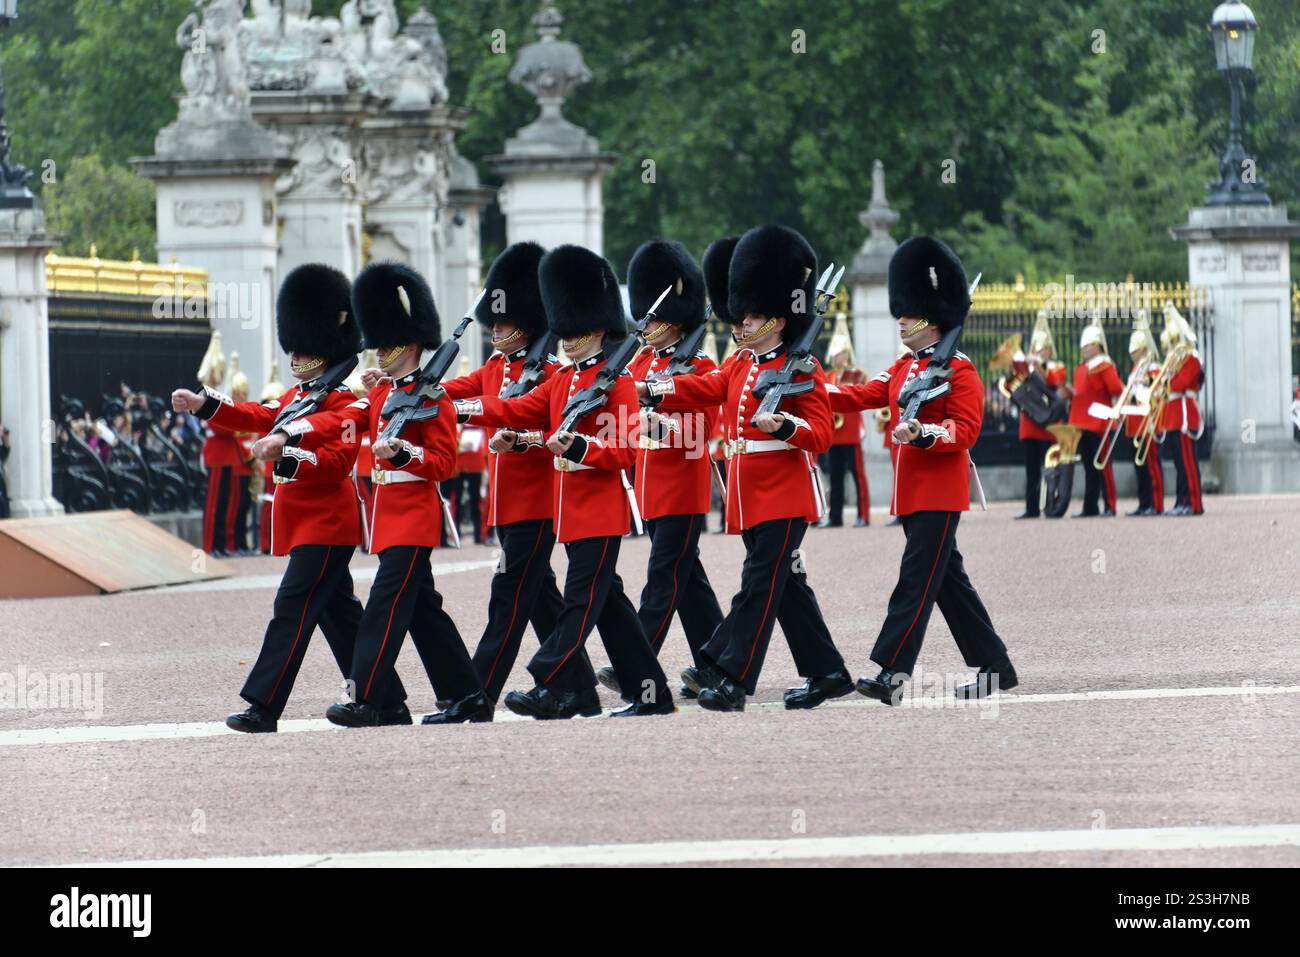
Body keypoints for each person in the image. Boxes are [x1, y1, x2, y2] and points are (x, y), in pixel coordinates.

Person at [171, 263, 409, 733]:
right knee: (341, 618)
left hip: (327, 525)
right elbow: (257, 414)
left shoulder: (348, 402)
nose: (297, 355)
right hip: (306, 525)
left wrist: (288, 451)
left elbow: (337, 461)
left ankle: (263, 705)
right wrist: (206, 404)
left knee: (291, 611)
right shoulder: (299, 396)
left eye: (305, 347)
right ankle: (388, 701)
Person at [262, 261, 491, 727]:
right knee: (424, 610)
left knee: (383, 609)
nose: (377, 352)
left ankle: (367, 698)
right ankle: (467, 694)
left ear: (408, 346)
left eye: (385, 346)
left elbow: (443, 465)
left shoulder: (436, 400)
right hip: (386, 519)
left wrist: (405, 454)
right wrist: (292, 434)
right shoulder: (384, 397)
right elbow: (336, 421)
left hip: (415, 518)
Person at [639, 224, 852, 713]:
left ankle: (731, 675)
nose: (740, 325)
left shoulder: (803, 368)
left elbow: (820, 435)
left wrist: (783, 428)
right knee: (786, 586)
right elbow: (706, 388)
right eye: (740, 316)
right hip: (749, 496)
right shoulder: (740, 365)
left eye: (750, 317)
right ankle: (828, 672)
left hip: (785, 496)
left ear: (777, 319)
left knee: (759, 586)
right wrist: (657, 391)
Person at [455, 244, 674, 720]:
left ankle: (548, 676)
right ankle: (652, 694)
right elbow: (516, 409)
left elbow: (629, 449)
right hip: (569, 511)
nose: (567, 338)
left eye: (576, 330)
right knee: (611, 606)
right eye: (564, 329)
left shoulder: (615, 384)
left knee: (580, 602)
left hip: (600, 509)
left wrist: (579, 449)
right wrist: (462, 409)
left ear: (596, 329)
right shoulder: (564, 382)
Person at [828, 236, 1016, 704]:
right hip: (912, 495)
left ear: (931, 320)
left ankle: (892, 674)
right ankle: (996, 667)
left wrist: (926, 436)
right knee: (950, 585)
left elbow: (966, 431)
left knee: (915, 581)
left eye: (908, 314)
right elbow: (860, 395)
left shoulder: (962, 372)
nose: (901, 320)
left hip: (939, 493)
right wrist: (811, 388)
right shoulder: (904, 369)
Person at [435, 241, 596, 706]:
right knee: (541, 596)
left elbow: (547, 430)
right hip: (506, 504)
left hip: (537, 502)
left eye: (503, 323)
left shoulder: (550, 373)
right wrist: (399, 388)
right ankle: (579, 690)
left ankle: (476, 693)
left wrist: (498, 426)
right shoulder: (495, 367)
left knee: (507, 595)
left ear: (527, 322)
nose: (496, 329)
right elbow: (446, 392)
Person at [594, 238, 724, 702]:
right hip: (650, 488)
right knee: (689, 584)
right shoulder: (642, 360)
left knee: (663, 579)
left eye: (657, 320)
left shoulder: (702, 365)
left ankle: (636, 661)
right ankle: (717, 662)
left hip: (683, 489)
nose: (647, 329)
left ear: (678, 322)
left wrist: (659, 422)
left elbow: (703, 428)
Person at [1011, 312, 1068, 519]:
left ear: (1049, 349)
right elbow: (1013, 384)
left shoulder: (1056, 366)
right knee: (1031, 469)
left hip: (1050, 425)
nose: (1038, 352)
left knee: (1051, 469)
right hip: (1030, 423)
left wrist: (1039, 366)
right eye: (1036, 349)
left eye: (1042, 349)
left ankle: (1053, 505)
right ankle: (1031, 507)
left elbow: (1055, 381)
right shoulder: (1027, 368)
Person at [1066, 316, 1122, 517]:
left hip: (1100, 423)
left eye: (1089, 346)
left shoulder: (1104, 366)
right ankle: (1090, 507)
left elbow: (1116, 388)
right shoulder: (1082, 368)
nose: (1086, 349)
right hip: (1083, 424)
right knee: (1089, 468)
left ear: (1098, 346)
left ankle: (1110, 506)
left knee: (1103, 467)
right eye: (1084, 346)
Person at [819, 311, 870, 527]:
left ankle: (863, 515)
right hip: (834, 434)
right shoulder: (828, 376)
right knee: (836, 478)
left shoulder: (855, 374)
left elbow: (863, 387)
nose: (836, 357)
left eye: (840, 353)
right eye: (834, 354)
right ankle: (835, 516)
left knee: (858, 477)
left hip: (850, 434)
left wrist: (850, 368)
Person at [1159, 303, 1205, 516]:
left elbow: (1181, 384)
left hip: (1186, 416)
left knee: (1188, 463)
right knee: (1180, 464)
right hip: (1174, 417)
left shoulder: (1192, 358)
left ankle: (1194, 504)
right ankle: (1181, 501)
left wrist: (1167, 379)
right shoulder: (1175, 362)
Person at [1124, 313, 1164, 516]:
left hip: (1147, 422)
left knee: (1151, 465)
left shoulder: (1154, 367)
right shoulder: (1134, 370)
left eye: (1138, 351)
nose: (1135, 355)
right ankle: (1144, 502)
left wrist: (1147, 383)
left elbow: (1158, 392)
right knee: (1140, 467)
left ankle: (1156, 504)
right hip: (1134, 423)